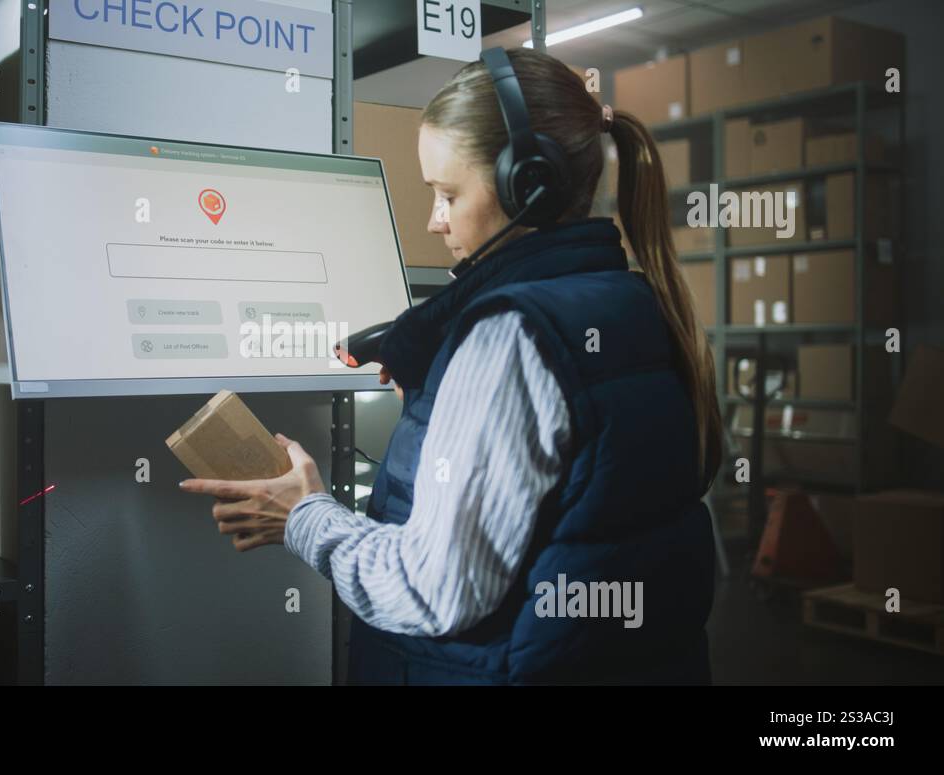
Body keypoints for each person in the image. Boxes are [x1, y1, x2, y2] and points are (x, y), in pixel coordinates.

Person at [180, 46, 722, 685]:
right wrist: (447, 380)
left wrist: (304, 516)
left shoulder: (512, 338)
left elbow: (431, 590)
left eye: (447, 194)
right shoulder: (638, 301)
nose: (434, 221)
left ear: (530, 185)